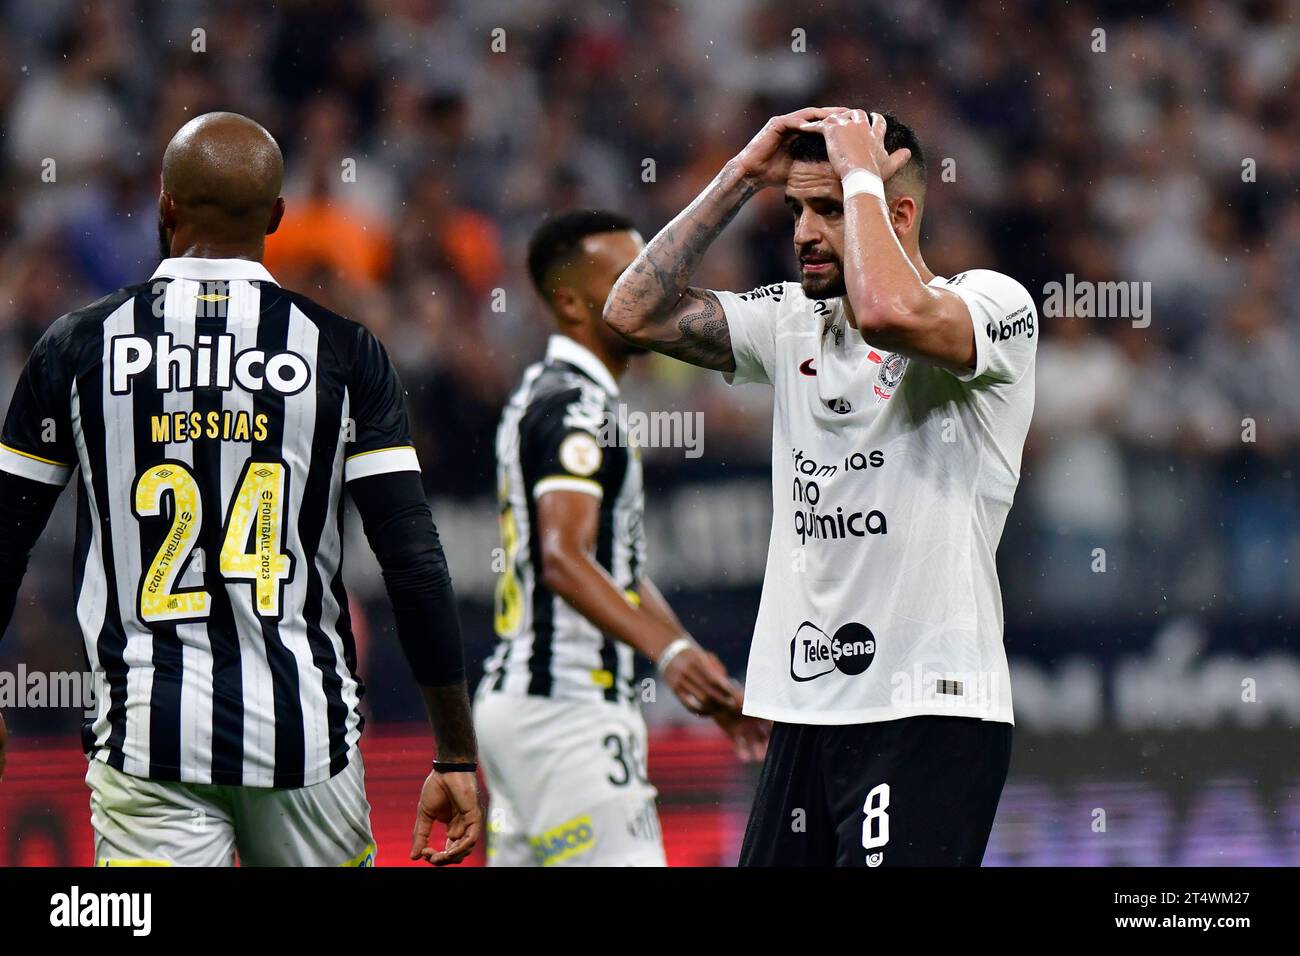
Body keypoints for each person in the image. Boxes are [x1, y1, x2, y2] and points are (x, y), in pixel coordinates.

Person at [0, 112, 481, 867]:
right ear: (279, 218)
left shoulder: (75, 347)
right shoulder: (345, 352)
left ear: (165, 207)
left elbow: (5, 539)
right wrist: (454, 752)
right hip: (306, 744)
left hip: (147, 740)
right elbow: (414, 560)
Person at [604, 108, 1038, 866]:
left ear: (896, 213)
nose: (803, 232)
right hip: (804, 711)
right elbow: (629, 312)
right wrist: (740, 174)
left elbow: (887, 311)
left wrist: (863, 173)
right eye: (795, 209)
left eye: (829, 209)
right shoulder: (792, 320)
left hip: (928, 707)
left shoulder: (994, 306)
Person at [476, 209, 768, 866]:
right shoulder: (574, 405)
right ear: (571, 302)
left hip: (528, 708)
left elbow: (615, 569)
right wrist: (668, 658)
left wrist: (689, 659)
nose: (651, 291)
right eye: (629, 277)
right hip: (567, 715)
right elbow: (563, 558)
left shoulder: (548, 393)